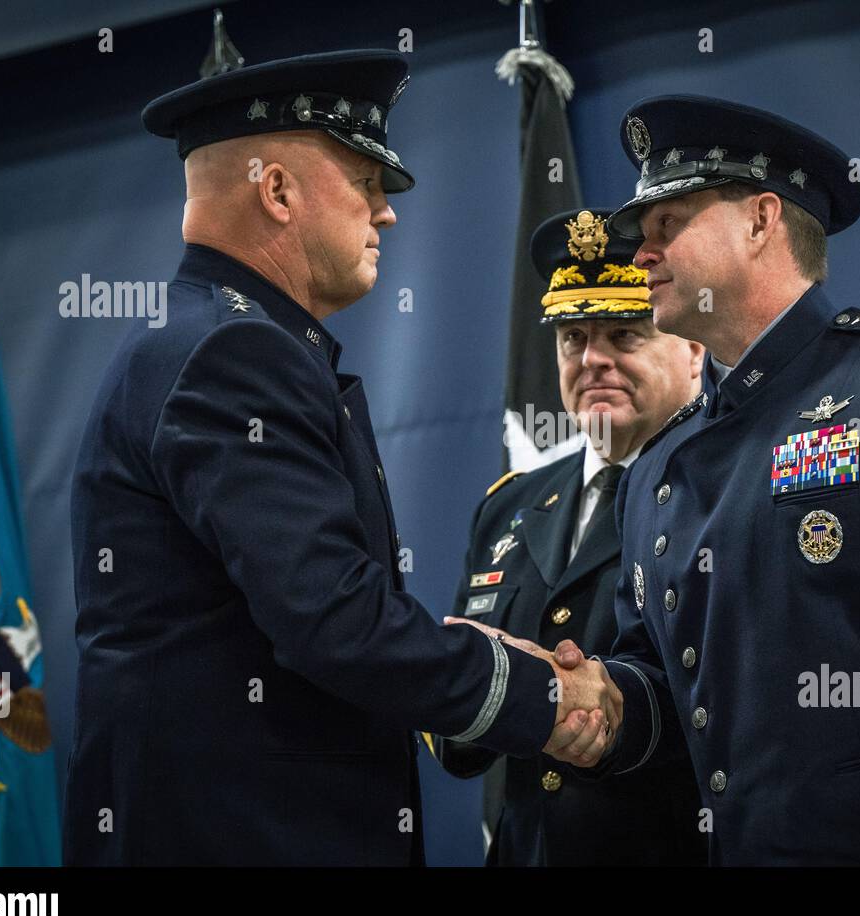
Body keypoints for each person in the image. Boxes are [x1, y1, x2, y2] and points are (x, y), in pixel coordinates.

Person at [482, 94, 860, 866]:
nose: (639, 254)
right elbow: (666, 691)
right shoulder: (662, 462)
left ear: (762, 219)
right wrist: (594, 699)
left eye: (667, 224)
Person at [62, 50, 619, 865]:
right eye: (365, 181)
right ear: (277, 191)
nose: (385, 213)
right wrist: (540, 692)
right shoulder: (237, 351)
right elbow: (337, 624)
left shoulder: (203, 336)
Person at [431, 208, 707, 865]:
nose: (592, 361)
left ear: (693, 348)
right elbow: (459, 740)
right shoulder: (509, 508)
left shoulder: (723, 488)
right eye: (572, 337)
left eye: (623, 333)